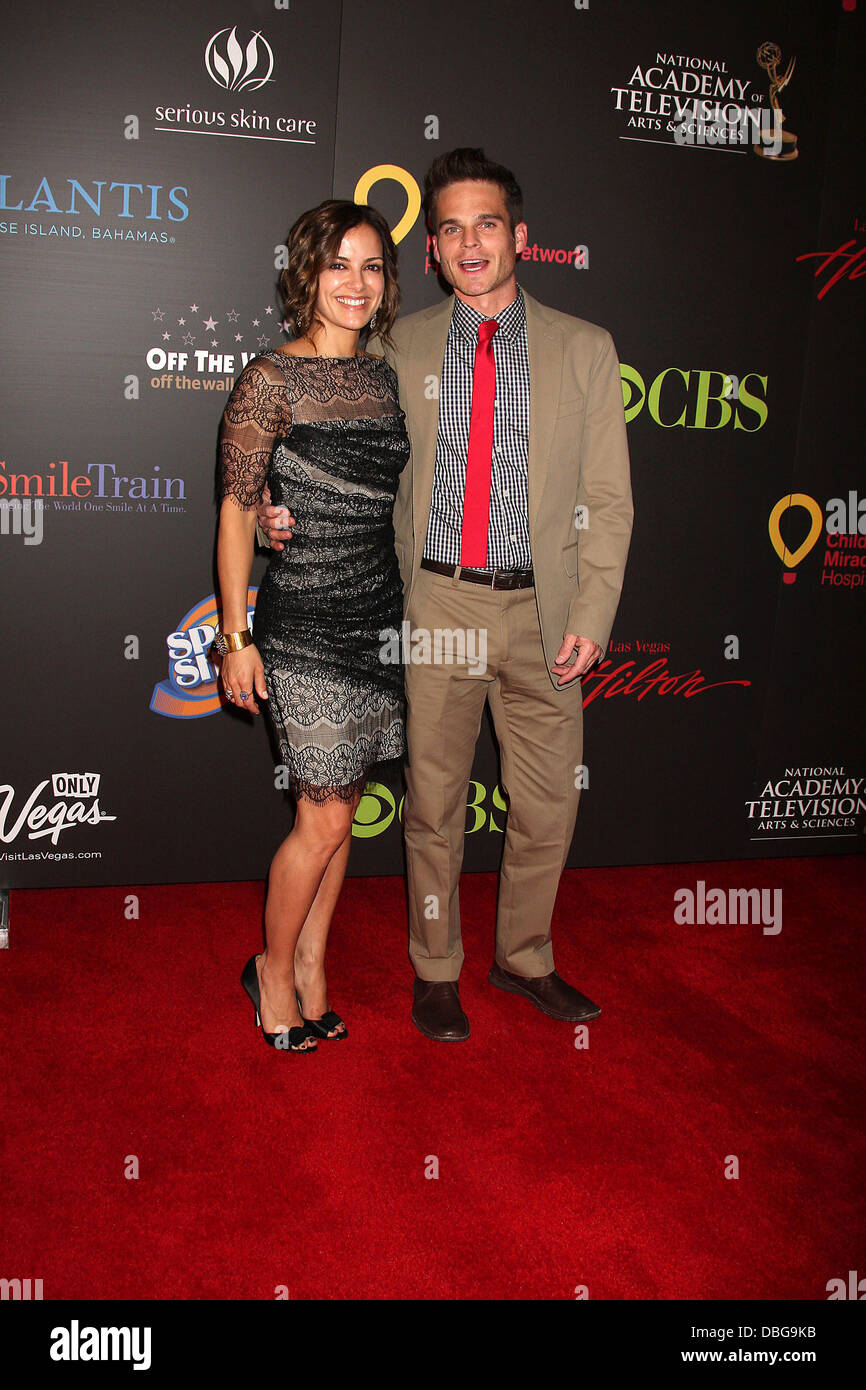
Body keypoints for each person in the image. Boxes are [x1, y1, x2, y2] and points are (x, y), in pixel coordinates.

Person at [258, 149, 633, 1042]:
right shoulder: (397, 347)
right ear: (431, 249)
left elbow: (610, 501)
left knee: (547, 809)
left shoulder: (585, 348)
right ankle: (436, 969)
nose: (471, 242)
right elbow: (332, 448)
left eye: (487, 223)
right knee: (432, 805)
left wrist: (593, 616)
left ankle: (525, 959)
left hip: (547, 613)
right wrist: (284, 514)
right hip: (438, 610)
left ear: (521, 238)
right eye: (452, 228)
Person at [215, 199, 408, 1052]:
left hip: (378, 614)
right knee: (322, 819)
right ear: (307, 275)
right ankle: (272, 969)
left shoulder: (384, 377)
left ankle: (315, 966)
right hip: (302, 622)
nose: (355, 284)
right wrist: (235, 636)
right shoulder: (270, 379)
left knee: (348, 809)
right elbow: (234, 511)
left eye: (371, 266)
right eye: (339, 266)